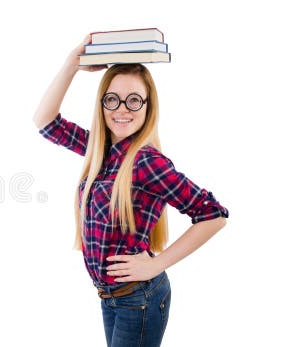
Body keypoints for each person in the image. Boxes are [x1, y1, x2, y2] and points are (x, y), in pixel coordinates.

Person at [33, 37, 228, 347]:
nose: (122, 110)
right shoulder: (100, 149)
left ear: (148, 106)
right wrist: (72, 64)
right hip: (112, 297)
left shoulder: (146, 161)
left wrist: (156, 263)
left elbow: (213, 216)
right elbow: (45, 122)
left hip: (139, 298)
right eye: (112, 99)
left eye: (134, 100)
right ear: (101, 104)